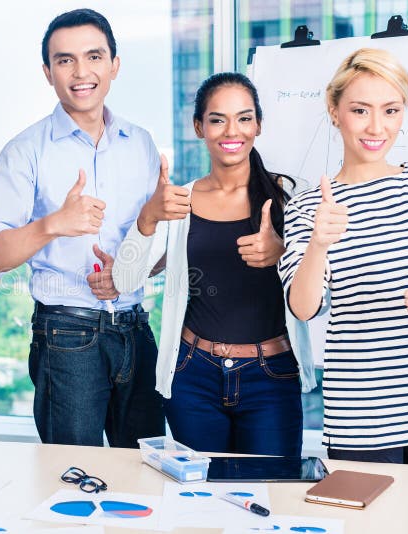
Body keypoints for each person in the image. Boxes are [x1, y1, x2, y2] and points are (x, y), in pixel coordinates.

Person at [278, 48, 408, 534]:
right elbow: (303, 307)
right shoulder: (308, 206)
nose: (375, 126)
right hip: (363, 419)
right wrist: (319, 241)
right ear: (334, 110)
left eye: (391, 110)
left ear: (404, 113)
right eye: (360, 110)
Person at [0, 8, 165, 447]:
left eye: (94, 56)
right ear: (48, 72)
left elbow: (160, 254)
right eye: (65, 60)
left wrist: (128, 269)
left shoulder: (143, 144)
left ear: (114, 64)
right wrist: (54, 224)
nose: (81, 72)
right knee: (72, 477)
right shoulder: (25, 151)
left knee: (145, 475)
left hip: (137, 331)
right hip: (67, 336)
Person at [113, 72, 313, 455]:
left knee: (269, 498)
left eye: (243, 118)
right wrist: (148, 218)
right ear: (199, 127)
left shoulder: (291, 195)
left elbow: (322, 296)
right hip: (193, 376)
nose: (230, 131)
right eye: (217, 119)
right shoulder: (179, 200)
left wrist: (282, 252)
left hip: (271, 376)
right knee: (200, 503)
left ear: (258, 125)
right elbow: (125, 280)